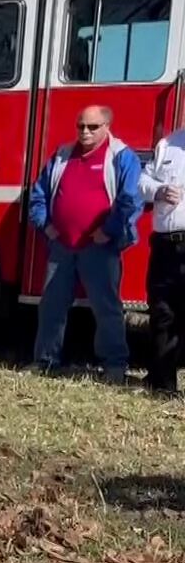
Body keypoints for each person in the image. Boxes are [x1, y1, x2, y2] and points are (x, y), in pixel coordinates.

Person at [28, 105, 141, 382]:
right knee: (52, 305)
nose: (85, 132)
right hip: (62, 246)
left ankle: (114, 366)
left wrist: (109, 230)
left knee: (106, 308)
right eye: (81, 126)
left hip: (99, 246)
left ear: (107, 126)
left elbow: (130, 200)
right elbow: (38, 193)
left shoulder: (122, 156)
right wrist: (46, 225)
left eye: (92, 127)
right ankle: (45, 361)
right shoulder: (63, 154)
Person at [142, 122, 185, 398]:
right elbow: (141, 181)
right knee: (162, 312)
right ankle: (162, 383)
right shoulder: (167, 144)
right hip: (165, 244)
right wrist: (158, 190)